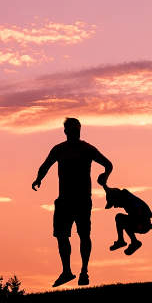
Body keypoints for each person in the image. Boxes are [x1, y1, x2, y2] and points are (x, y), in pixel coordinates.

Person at [32, 117, 113, 287]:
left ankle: (84, 271)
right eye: (71, 129)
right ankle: (67, 271)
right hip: (64, 201)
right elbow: (45, 166)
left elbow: (108, 164)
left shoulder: (87, 149)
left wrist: (104, 177)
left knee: (84, 235)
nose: (74, 131)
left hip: (83, 200)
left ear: (79, 130)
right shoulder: (59, 149)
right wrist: (39, 179)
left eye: (76, 129)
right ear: (66, 131)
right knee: (62, 235)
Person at [103, 181, 152, 256]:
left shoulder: (129, 201)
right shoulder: (124, 197)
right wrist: (104, 184)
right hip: (140, 222)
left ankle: (126, 241)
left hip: (142, 224)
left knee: (119, 218)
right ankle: (133, 241)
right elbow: (109, 190)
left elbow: (140, 212)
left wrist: (142, 224)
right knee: (122, 220)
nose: (115, 206)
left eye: (114, 203)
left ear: (117, 198)